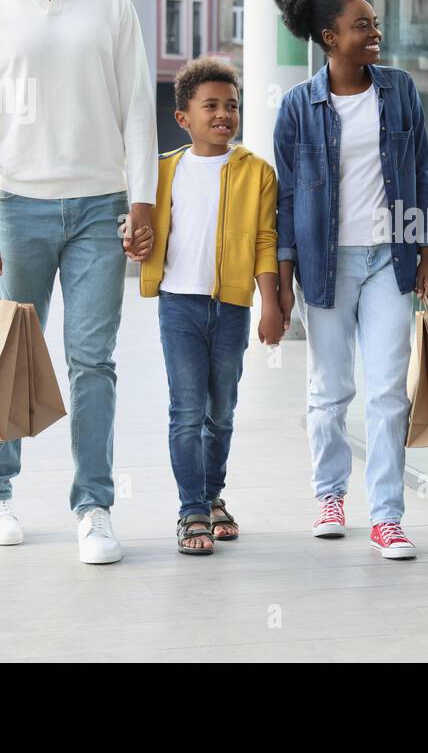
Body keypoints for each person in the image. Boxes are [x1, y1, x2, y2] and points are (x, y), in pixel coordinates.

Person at [0, 0, 157, 564]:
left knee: (92, 360)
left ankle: (94, 506)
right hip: (17, 209)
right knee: (12, 355)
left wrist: (142, 198)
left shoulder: (109, 2)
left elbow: (136, 107)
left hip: (101, 207)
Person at [272, 0, 428, 559]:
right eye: (361, 25)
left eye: (375, 24)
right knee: (330, 389)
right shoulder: (298, 105)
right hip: (325, 262)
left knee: (389, 391)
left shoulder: (399, 90)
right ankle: (329, 495)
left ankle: (388, 517)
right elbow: (287, 196)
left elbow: (420, 172)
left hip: (390, 260)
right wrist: (281, 283)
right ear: (328, 37)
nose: (374, 34)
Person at [139, 58, 283, 554]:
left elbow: (266, 239)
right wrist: (131, 240)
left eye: (232, 105)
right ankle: (191, 511)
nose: (224, 114)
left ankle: (213, 494)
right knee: (186, 410)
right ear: (184, 117)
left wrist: (272, 303)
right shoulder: (161, 171)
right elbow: (139, 231)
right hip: (178, 305)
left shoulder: (257, 172)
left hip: (231, 308)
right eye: (211, 106)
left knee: (220, 411)